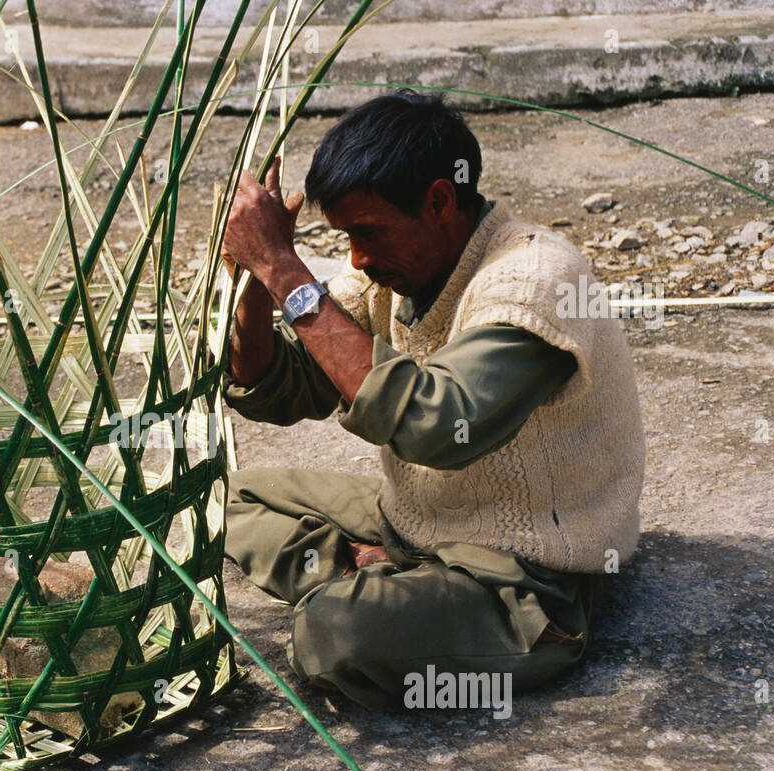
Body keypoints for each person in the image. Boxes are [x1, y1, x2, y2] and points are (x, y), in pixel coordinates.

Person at [217, 90, 645, 711]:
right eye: (346, 237)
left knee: (332, 634)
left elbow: (439, 426)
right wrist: (259, 280)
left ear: (440, 202)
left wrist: (287, 271)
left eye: (369, 233)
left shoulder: (534, 280)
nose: (357, 257)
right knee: (222, 497)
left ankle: (374, 592)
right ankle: (359, 572)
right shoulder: (389, 274)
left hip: (525, 576)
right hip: (422, 521)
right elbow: (279, 388)